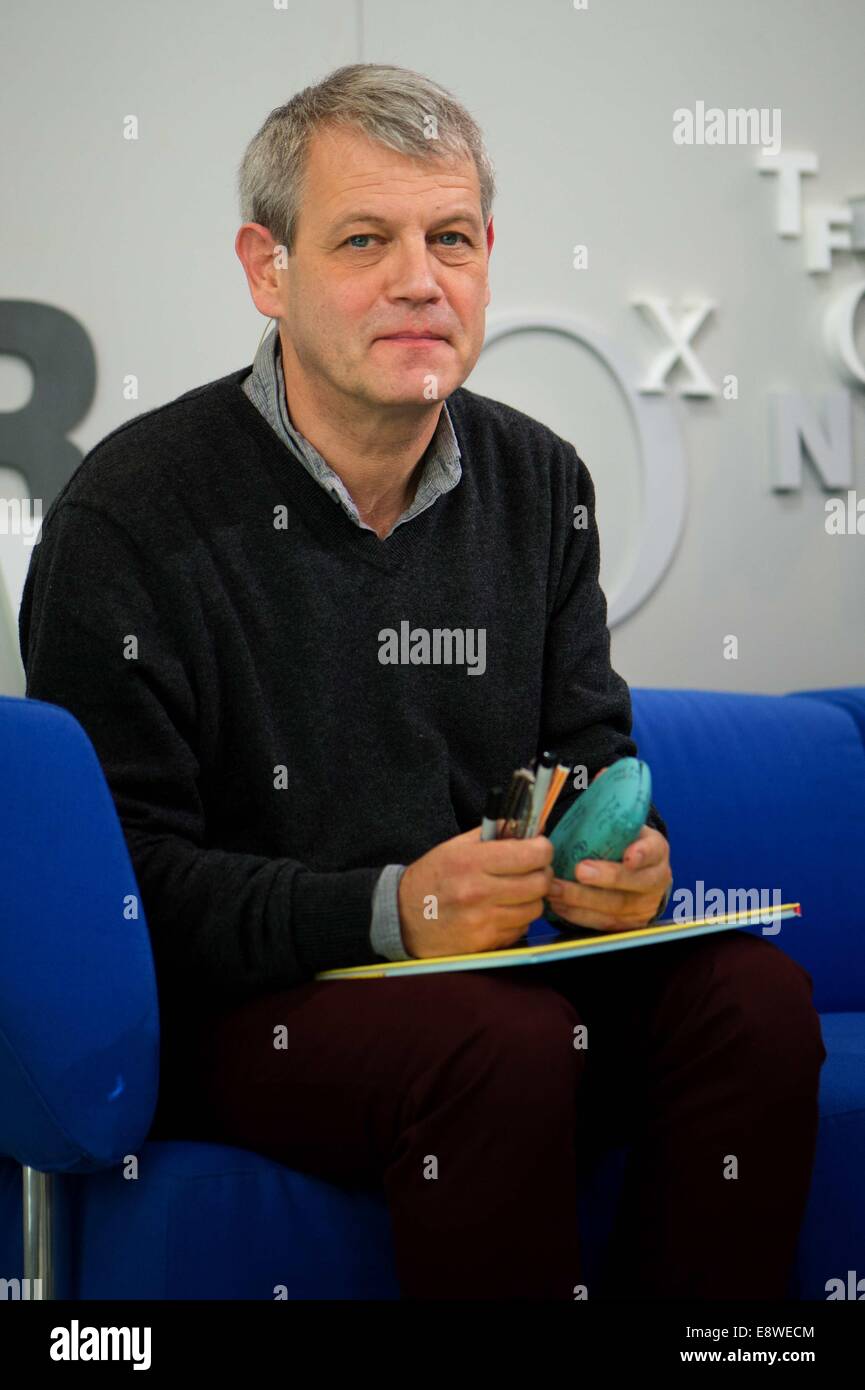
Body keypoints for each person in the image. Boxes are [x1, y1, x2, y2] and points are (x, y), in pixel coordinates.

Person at [17, 62, 825, 1300]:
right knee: (498, 1045)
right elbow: (132, 890)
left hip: (491, 984)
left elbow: (591, 750)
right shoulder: (130, 516)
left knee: (754, 1001)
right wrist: (393, 912)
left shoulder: (539, 481)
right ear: (266, 267)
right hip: (253, 1006)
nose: (418, 278)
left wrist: (627, 856)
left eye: (449, 237)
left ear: (487, 253)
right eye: (363, 239)